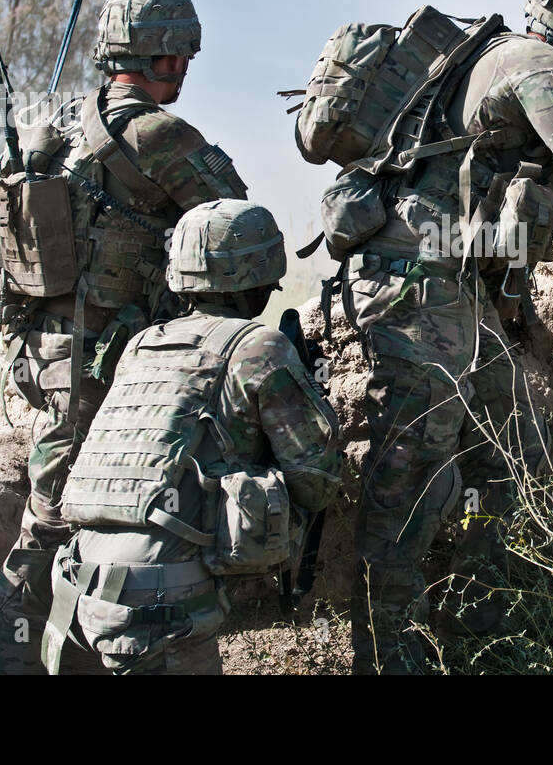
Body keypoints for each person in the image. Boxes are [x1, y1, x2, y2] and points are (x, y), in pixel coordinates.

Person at [347, 0, 553, 673]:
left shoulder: (500, 55)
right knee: (412, 466)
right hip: (419, 281)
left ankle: (472, 617)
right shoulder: (536, 63)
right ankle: (385, 650)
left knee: (507, 445)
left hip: (458, 282)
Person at [0, 0, 248, 674]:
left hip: (44, 357)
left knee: (72, 513)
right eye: (179, 54)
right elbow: (237, 226)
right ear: (165, 57)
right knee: (59, 523)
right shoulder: (158, 134)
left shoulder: (48, 131)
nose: (183, 66)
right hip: (103, 368)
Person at [41, 199, 341, 675]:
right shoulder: (260, 346)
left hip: (73, 590)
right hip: (154, 607)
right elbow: (316, 479)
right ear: (259, 279)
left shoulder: (142, 345)